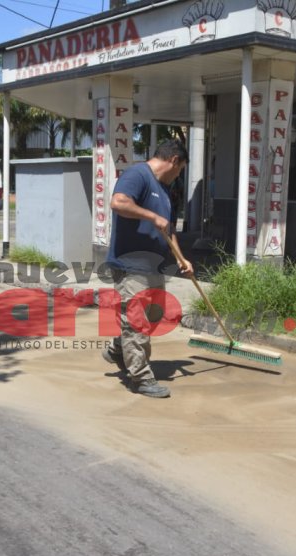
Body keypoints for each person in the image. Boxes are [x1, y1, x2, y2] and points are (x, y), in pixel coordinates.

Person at [101, 139, 193, 398]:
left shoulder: (164, 190)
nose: (179, 175)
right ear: (174, 160)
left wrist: (182, 259)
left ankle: (119, 348)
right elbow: (118, 202)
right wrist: (151, 216)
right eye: (181, 169)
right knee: (137, 323)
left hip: (154, 265)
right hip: (131, 265)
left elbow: (168, 229)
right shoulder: (137, 174)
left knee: (154, 316)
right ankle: (140, 378)